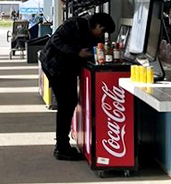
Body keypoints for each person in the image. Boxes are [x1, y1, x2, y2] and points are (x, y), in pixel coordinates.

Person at [40, 11, 116, 161]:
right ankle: (61, 147)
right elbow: (56, 40)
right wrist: (77, 52)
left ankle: (62, 145)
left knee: (69, 103)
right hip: (55, 66)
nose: (101, 35)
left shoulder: (93, 34)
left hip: (67, 67)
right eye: (102, 31)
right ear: (98, 25)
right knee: (66, 104)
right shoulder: (75, 24)